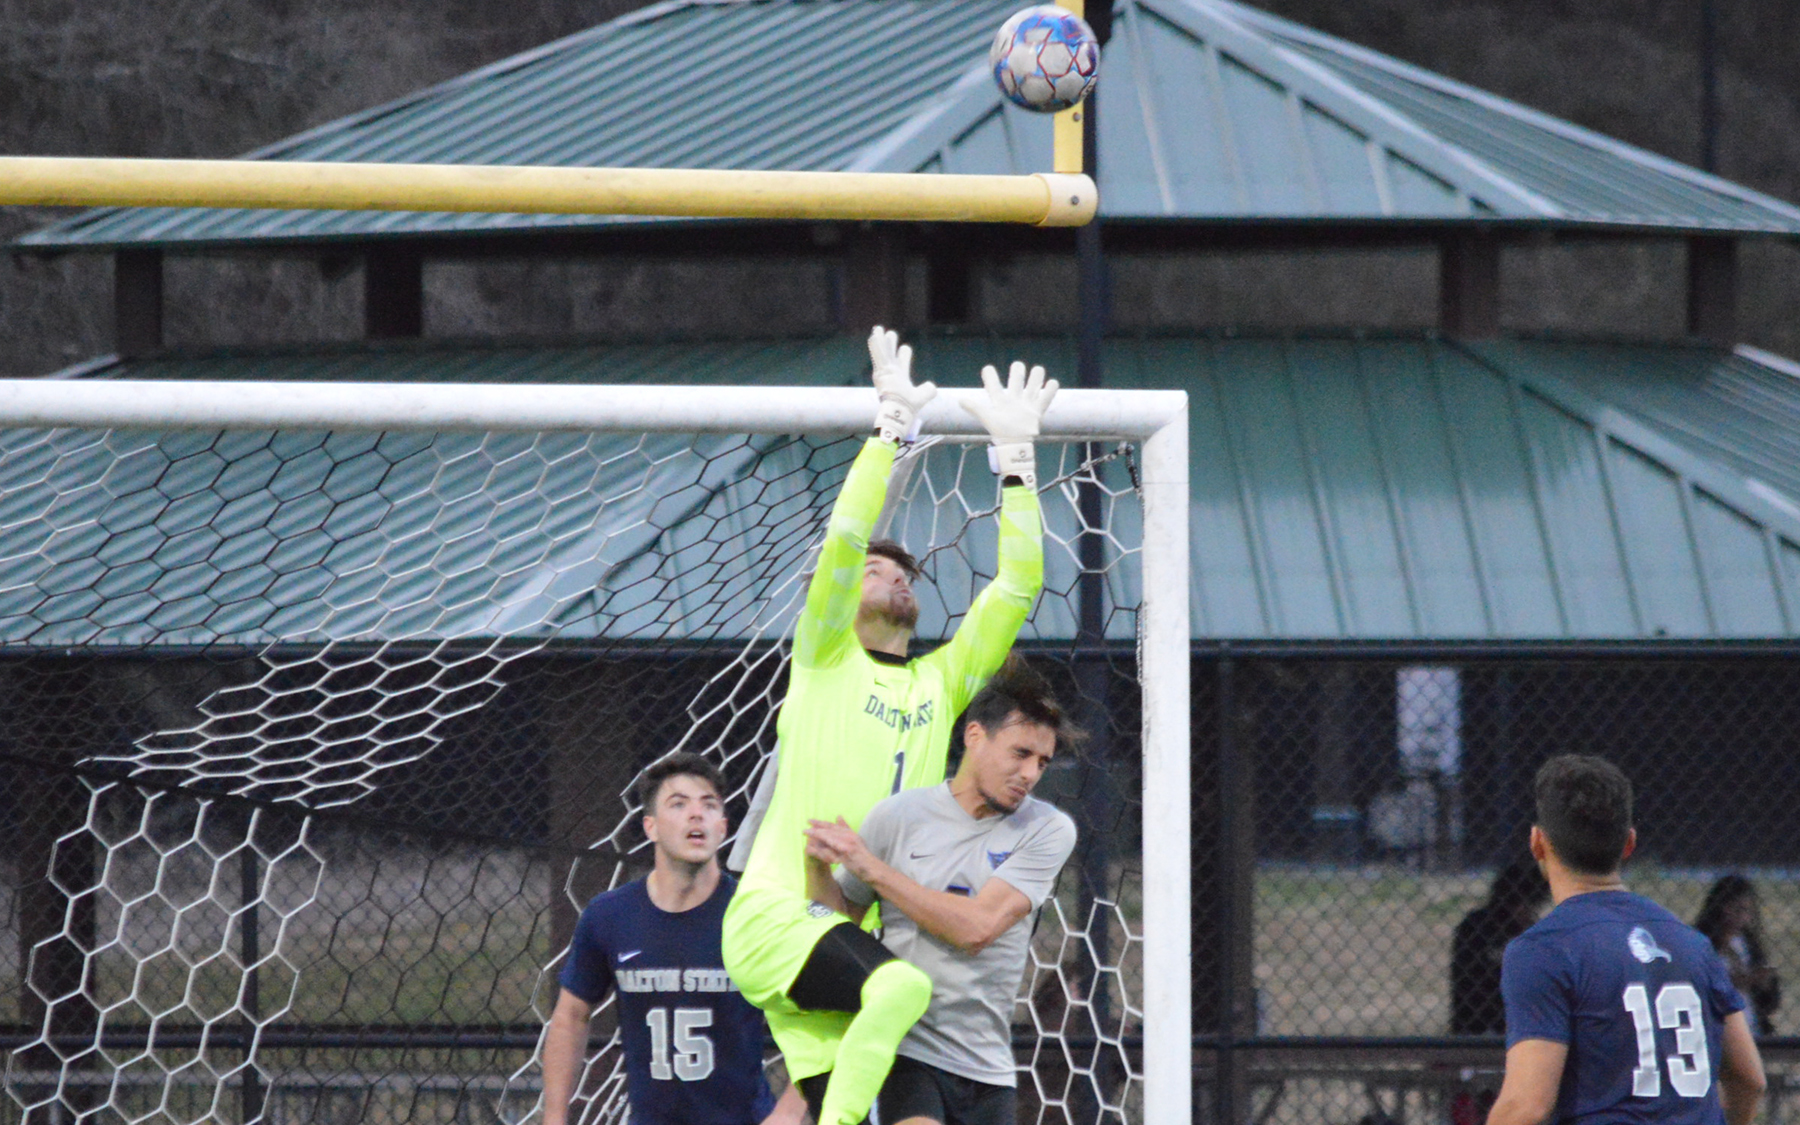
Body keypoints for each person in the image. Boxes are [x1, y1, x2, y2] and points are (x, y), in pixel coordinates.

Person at [720, 327, 1054, 1125]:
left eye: (904, 573)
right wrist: (889, 432)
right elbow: (841, 543)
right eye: (878, 569)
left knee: (814, 1103)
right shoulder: (825, 654)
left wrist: (1015, 458)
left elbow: (1018, 585)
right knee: (906, 988)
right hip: (775, 915)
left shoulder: (943, 683)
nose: (893, 577)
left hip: (843, 922)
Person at [803, 664, 1080, 1125]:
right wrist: (815, 864)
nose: (1030, 773)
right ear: (974, 736)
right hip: (906, 1052)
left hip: (987, 1065)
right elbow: (839, 923)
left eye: (1043, 762)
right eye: (1021, 753)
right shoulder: (896, 817)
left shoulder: (1047, 829)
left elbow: (977, 928)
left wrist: (871, 866)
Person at [1487, 755, 1766, 1125]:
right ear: (1629, 843)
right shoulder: (1693, 944)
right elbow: (1749, 1078)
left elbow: (1526, 1106)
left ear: (1537, 842)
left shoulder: (1544, 950)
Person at [542, 753, 805, 1125]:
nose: (696, 814)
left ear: (724, 827)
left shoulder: (757, 915)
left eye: (709, 805)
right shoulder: (609, 916)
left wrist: (789, 1113)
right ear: (650, 827)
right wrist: (554, 1118)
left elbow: (825, 1020)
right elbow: (571, 1015)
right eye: (678, 804)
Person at [1451, 857, 1550, 1035]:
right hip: (1477, 1018)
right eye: (1521, 904)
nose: (1527, 912)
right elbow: (1466, 984)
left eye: (1532, 905)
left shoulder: (1535, 934)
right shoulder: (1476, 927)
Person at [1695, 875, 1781, 1036]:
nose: (1740, 917)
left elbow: (1770, 1003)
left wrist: (1765, 984)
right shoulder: (1701, 941)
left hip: (1751, 1026)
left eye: (1745, 910)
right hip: (1717, 1030)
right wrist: (1737, 981)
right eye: (1735, 909)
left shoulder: (1747, 943)